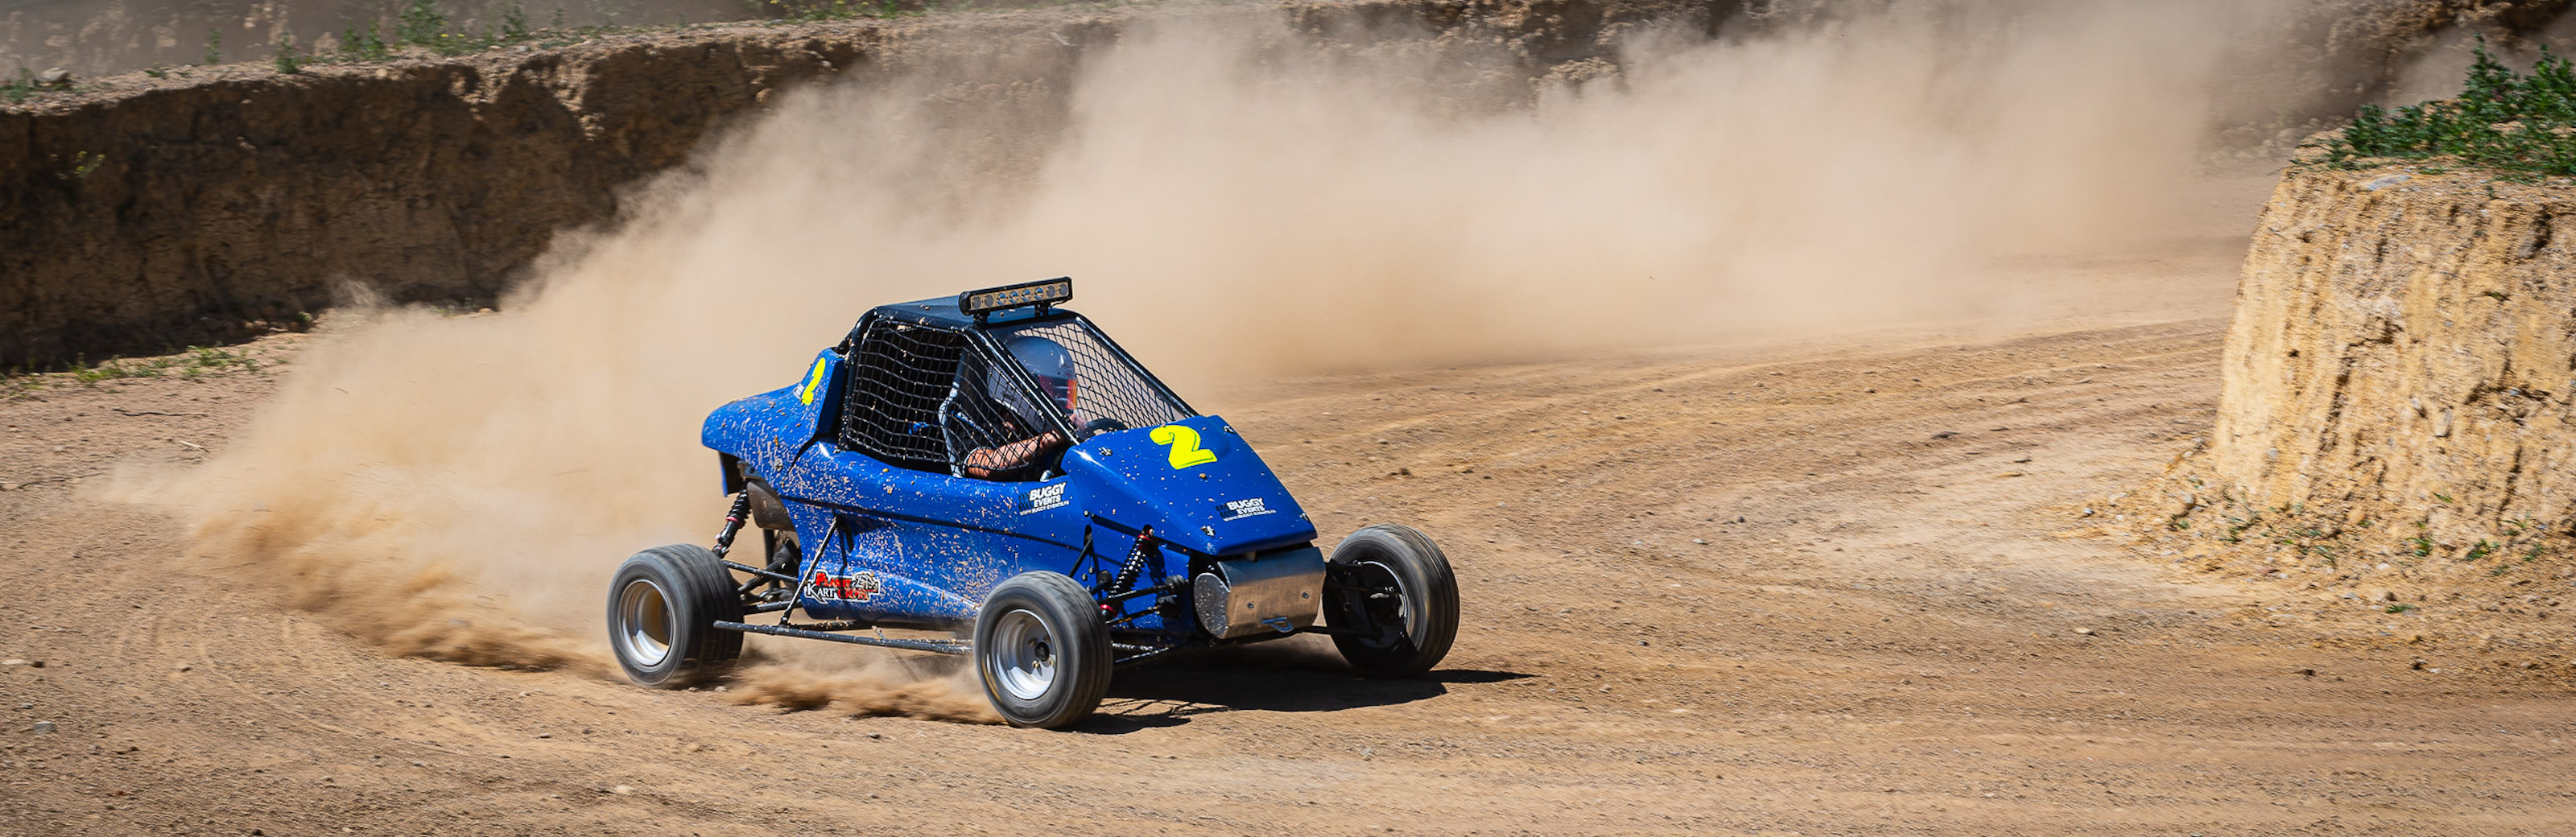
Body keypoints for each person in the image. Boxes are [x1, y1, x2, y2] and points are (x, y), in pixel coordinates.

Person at [948, 336, 1080, 480]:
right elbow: (988, 466)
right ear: (1014, 388)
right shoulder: (979, 430)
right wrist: (1047, 440)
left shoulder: (1051, 435)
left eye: (1063, 392)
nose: (1058, 399)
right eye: (1052, 390)